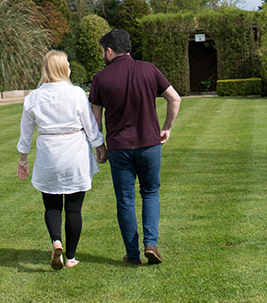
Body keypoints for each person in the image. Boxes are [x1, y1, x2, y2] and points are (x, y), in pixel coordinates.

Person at [89, 29, 181, 266]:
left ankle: (132, 255)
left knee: (125, 200)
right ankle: (151, 243)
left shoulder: (101, 78)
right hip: (150, 143)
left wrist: (99, 146)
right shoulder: (149, 69)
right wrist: (167, 127)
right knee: (150, 192)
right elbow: (175, 98)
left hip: (119, 147)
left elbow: (95, 120)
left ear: (109, 51)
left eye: (102, 51)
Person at [17, 50, 106, 270]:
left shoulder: (33, 98)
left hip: (49, 155)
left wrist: (22, 161)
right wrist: (100, 147)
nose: (69, 68)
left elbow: (25, 134)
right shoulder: (76, 94)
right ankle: (71, 257)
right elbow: (90, 125)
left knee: (52, 206)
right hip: (74, 153)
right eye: (67, 64)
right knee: (74, 210)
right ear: (61, 68)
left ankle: (56, 241)